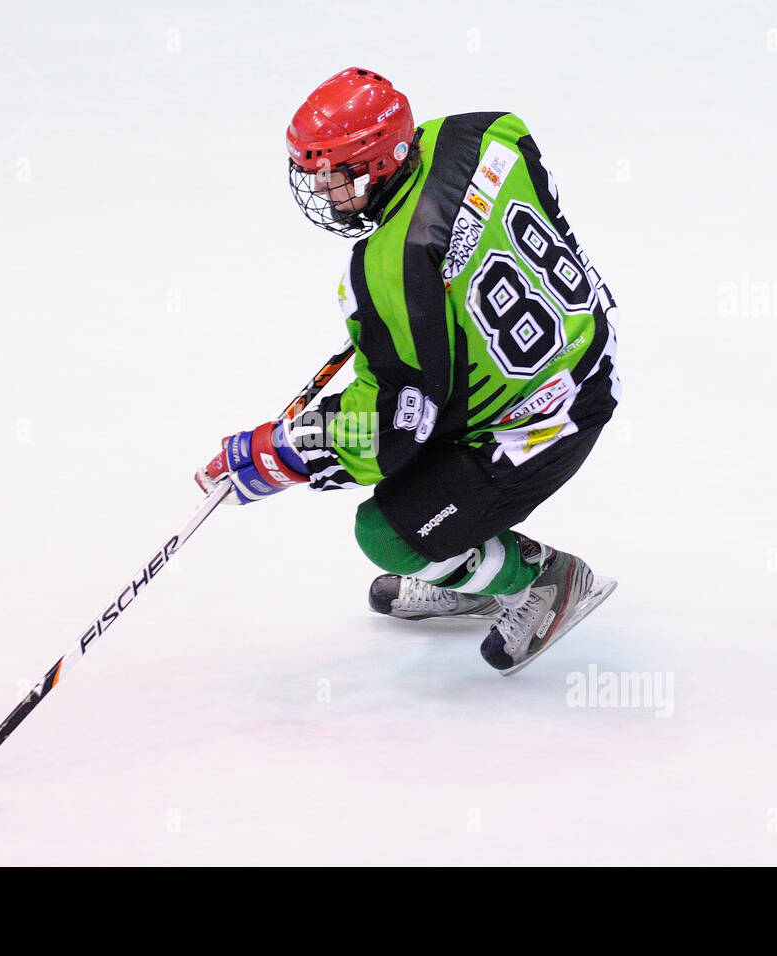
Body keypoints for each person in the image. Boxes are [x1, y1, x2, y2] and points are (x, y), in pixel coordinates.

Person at [196, 67, 621, 674]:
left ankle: (544, 581)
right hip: (584, 347)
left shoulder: (390, 265)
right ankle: (473, 570)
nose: (321, 190)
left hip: (544, 422)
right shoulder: (483, 134)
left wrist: (285, 451)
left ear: (379, 161)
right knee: (419, 462)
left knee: (388, 535)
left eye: (334, 176)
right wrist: (424, 309)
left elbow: (395, 428)